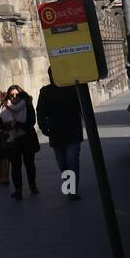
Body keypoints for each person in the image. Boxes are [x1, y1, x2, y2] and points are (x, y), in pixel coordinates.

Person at [36, 71, 84, 201]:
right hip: (56, 132)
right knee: (62, 163)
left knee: (72, 160)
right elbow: (40, 110)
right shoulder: (45, 91)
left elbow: (82, 107)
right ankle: (69, 185)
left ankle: (72, 190)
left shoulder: (73, 88)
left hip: (73, 130)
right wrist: (43, 126)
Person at [0, 84, 39, 200]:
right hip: (12, 139)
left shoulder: (27, 105)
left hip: (27, 137)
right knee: (15, 166)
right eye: (12, 95)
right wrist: (7, 126)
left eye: (17, 94)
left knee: (29, 164)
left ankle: (32, 185)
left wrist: (18, 124)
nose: (14, 97)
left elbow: (31, 121)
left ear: (22, 94)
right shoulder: (3, 107)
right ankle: (18, 190)